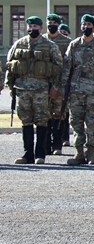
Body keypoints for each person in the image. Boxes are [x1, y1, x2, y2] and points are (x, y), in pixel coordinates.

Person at [2, 16, 63, 164]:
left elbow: (59, 68)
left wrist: (55, 88)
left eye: (35, 26)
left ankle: (40, 155)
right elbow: (10, 66)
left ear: (41, 28)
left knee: (42, 121)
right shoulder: (19, 44)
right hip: (22, 90)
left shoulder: (50, 46)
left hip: (41, 90)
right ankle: (27, 154)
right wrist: (10, 86)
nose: (32, 29)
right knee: (26, 121)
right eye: (30, 26)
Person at [61, 15, 94, 166]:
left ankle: (91, 153)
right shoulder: (74, 45)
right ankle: (78, 152)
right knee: (76, 121)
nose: (85, 27)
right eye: (83, 24)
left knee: (92, 121)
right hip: (76, 89)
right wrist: (63, 88)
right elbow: (66, 68)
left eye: (89, 24)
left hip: (93, 88)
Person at [44, 13, 72, 155]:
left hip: (61, 85)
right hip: (43, 85)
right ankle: (46, 145)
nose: (52, 24)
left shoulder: (67, 42)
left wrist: (63, 85)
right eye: (49, 22)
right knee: (45, 115)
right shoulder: (42, 40)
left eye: (55, 22)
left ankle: (57, 145)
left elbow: (68, 64)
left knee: (59, 114)